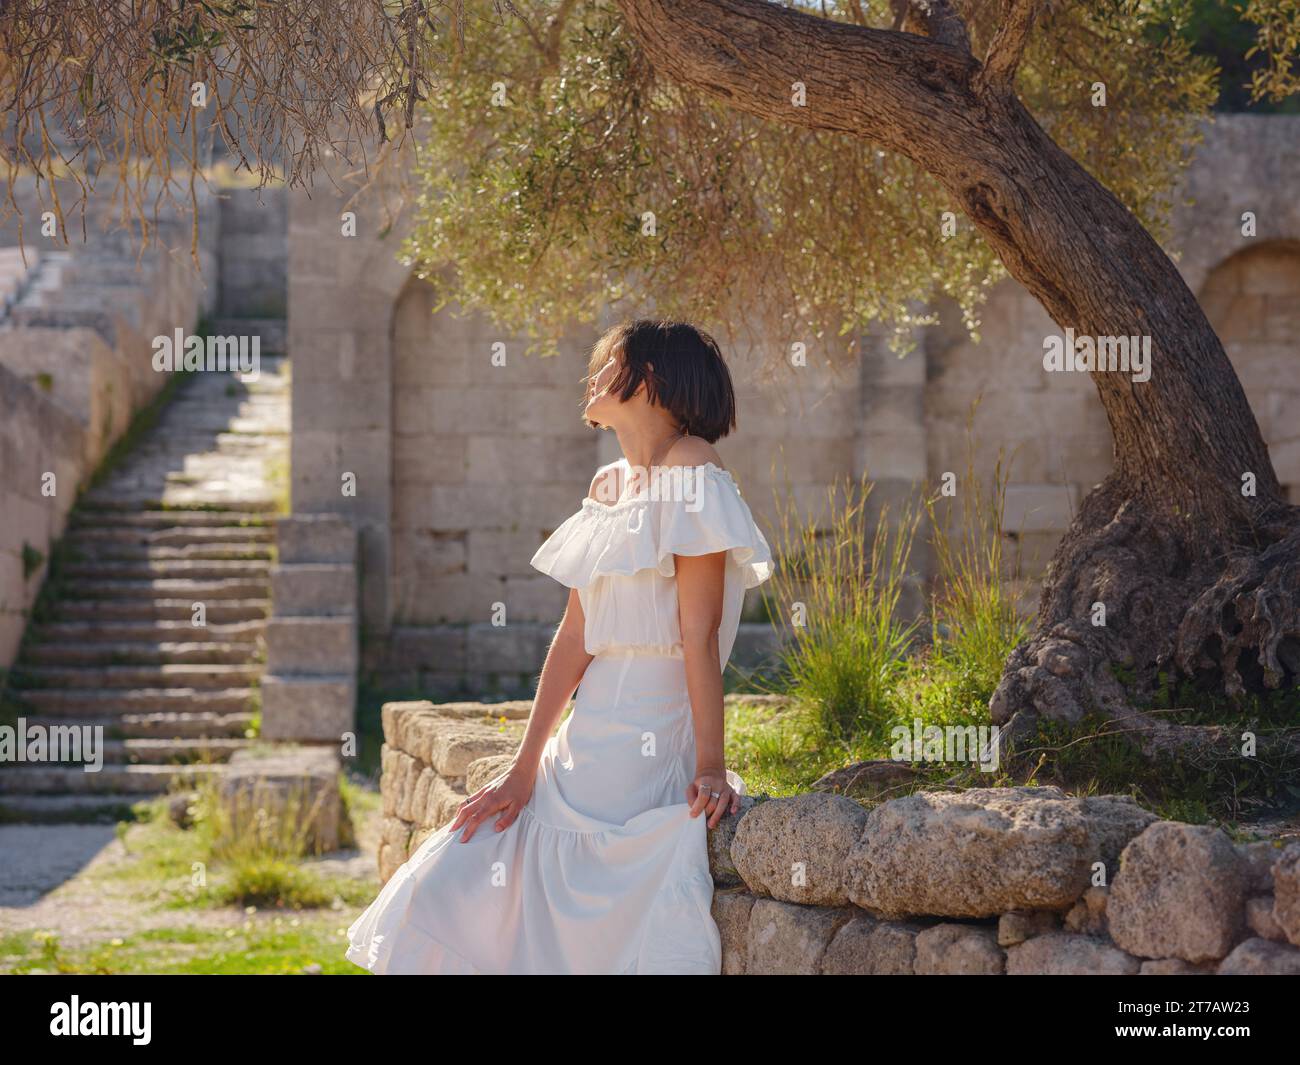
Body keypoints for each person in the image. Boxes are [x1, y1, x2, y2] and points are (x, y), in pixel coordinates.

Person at [345, 319, 773, 974]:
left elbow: (699, 633)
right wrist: (524, 766)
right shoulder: (607, 487)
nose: (593, 375)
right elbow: (575, 635)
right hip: (581, 742)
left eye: (610, 363)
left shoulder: (693, 467)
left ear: (651, 380)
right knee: (450, 879)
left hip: (649, 743)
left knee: (593, 915)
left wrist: (710, 764)